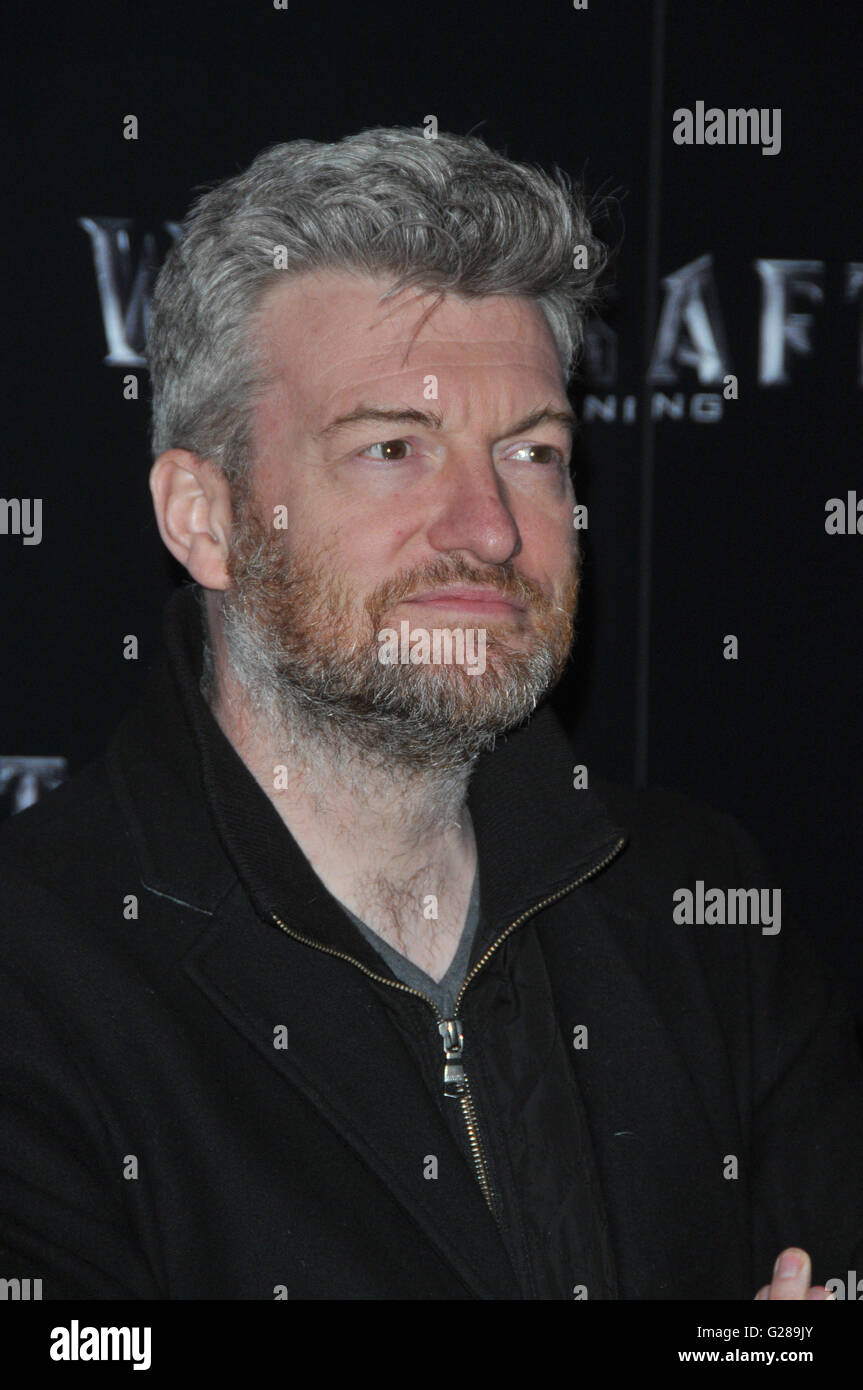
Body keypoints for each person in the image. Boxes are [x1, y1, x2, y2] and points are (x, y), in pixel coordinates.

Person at [1, 128, 861, 1301]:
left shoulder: (702, 912)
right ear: (204, 518)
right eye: (393, 448)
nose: (490, 528)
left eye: (532, 452)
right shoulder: (36, 981)